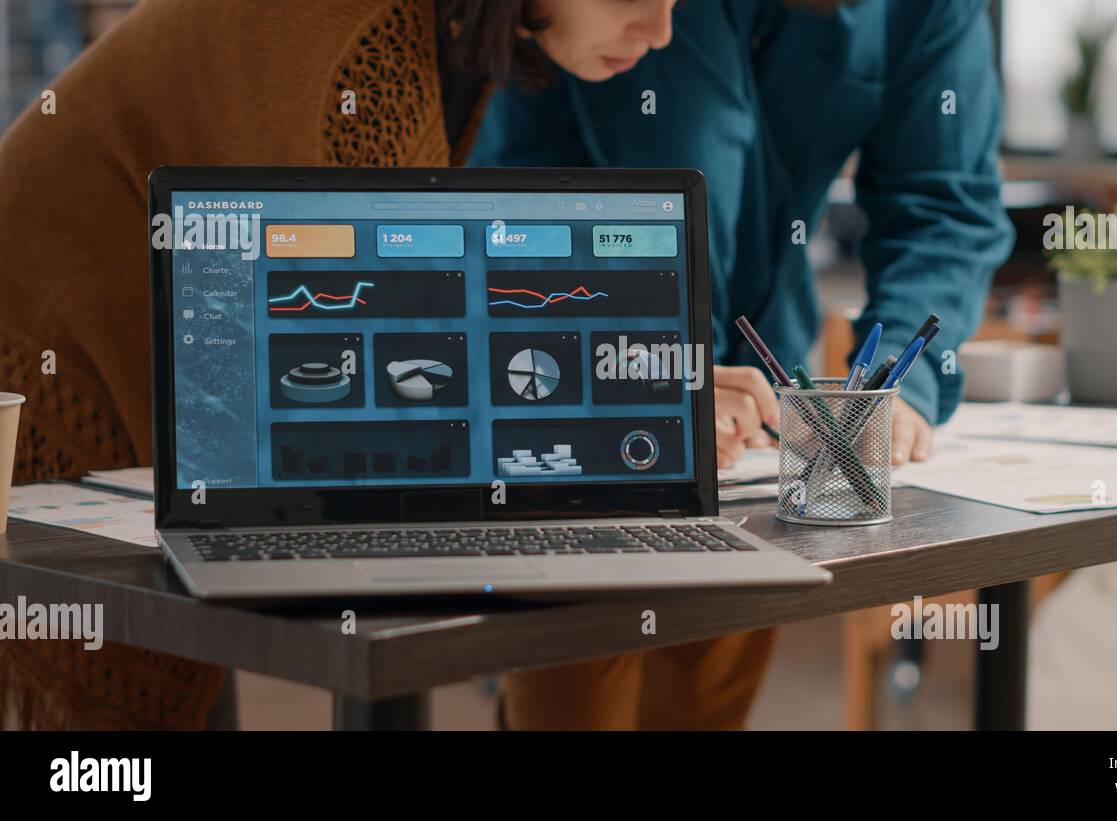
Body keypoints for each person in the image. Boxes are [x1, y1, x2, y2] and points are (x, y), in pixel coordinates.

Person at [0, 0, 679, 729]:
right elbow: (382, 354)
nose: (662, 29)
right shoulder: (367, 39)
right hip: (50, 381)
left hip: (165, 383)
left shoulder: (448, 28)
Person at [471, 0, 1015, 729]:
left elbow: (944, 204)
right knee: (573, 698)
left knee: (703, 706)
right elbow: (504, 202)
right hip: (584, 399)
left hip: (762, 407)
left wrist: (899, 384)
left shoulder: (928, 12)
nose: (659, 27)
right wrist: (633, 376)